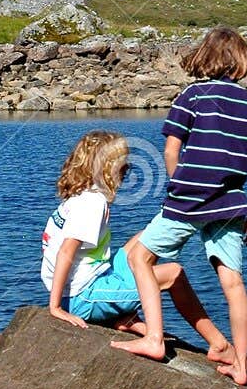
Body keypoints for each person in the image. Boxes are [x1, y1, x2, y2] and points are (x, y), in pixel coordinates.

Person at [121, 28, 247, 384]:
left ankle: (154, 338)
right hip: (231, 203)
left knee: (139, 257)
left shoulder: (189, 95)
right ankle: (240, 364)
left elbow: (172, 151)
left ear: (206, 56)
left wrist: (177, 185)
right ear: (240, 61)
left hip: (187, 198)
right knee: (233, 283)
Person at [43, 129, 232, 360]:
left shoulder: (79, 197)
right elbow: (65, 252)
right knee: (174, 273)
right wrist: (56, 308)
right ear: (107, 168)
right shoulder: (92, 204)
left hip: (86, 284)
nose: (127, 169)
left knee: (146, 238)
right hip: (83, 297)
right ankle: (216, 344)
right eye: (123, 164)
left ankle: (124, 318)